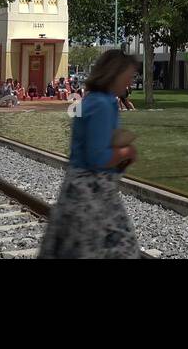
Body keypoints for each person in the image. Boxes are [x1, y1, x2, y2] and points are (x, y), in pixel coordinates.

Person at [38, 50, 140, 258]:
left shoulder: (96, 100)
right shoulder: (101, 104)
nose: (130, 81)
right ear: (115, 74)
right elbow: (97, 157)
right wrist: (126, 152)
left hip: (81, 188)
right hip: (92, 193)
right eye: (128, 75)